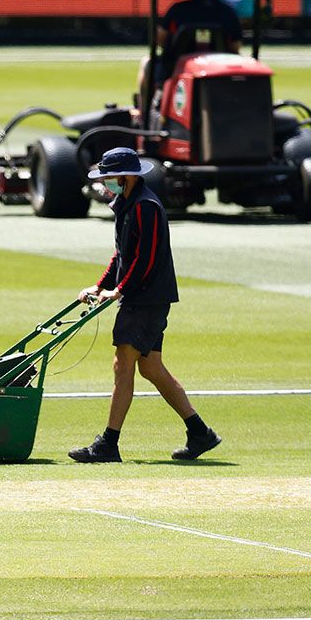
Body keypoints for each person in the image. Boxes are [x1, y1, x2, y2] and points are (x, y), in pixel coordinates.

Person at [68, 147, 221, 464]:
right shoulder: (125, 203)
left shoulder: (146, 207)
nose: (105, 183)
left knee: (123, 363)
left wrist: (120, 291)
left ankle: (108, 444)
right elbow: (122, 255)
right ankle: (200, 432)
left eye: (109, 177)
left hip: (147, 299)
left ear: (124, 177)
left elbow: (146, 259)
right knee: (150, 367)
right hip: (144, 296)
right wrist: (100, 286)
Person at [157, 0, 241, 71]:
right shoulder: (228, 12)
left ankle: (159, 85)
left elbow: (161, 38)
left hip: (177, 66)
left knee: (150, 63)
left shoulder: (177, 9)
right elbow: (235, 46)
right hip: (219, 66)